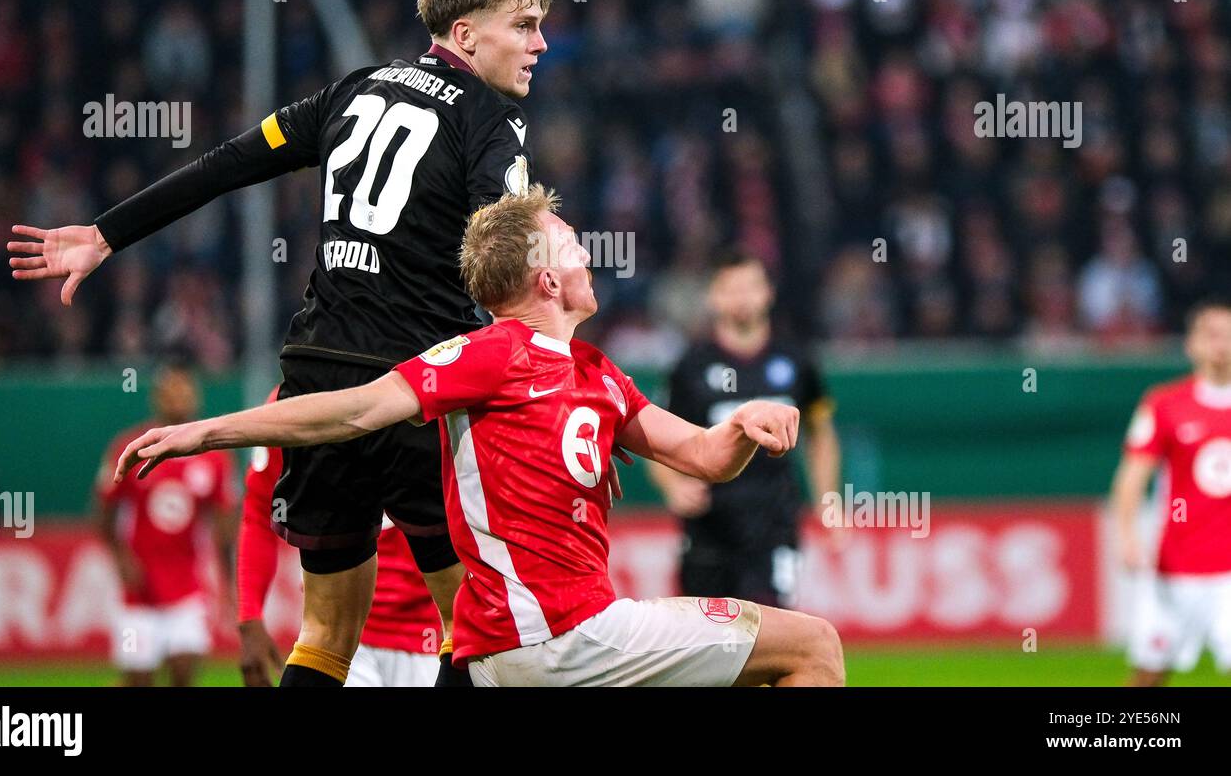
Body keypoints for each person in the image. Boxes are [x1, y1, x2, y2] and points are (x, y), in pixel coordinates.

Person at [9, 0, 559, 685]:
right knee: (473, 625)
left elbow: (229, 162)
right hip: (415, 390)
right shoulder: (492, 120)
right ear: (465, 34)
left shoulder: (352, 90)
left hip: (316, 378)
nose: (540, 45)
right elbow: (505, 254)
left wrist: (107, 233)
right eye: (523, 26)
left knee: (325, 634)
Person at [114, 186, 844, 687]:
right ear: (544, 278)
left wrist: (745, 427)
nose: (588, 251)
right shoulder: (489, 354)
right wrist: (206, 432)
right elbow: (348, 409)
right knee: (816, 647)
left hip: (509, 653)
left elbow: (703, 456)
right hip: (560, 636)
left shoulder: (597, 372)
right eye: (570, 243)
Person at [650, 250, 841, 607]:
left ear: (768, 292)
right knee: (705, 644)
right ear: (713, 297)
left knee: (774, 632)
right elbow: (656, 435)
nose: (741, 298)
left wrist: (828, 500)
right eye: (730, 289)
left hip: (775, 523)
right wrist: (672, 485)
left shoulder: (797, 361)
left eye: (750, 287)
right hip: (709, 525)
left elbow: (821, 434)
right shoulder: (690, 367)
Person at [239, 390, 441, 686]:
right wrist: (249, 616)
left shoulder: (434, 385)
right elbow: (259, 512)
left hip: (430, 634)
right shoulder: (295, 396)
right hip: (335, 638)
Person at [1111, 298, 1231, 686]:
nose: (1222, 343)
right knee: (1149, 675)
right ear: (1191, 344)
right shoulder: (1165, 404)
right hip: (1176, 569)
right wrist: (1127, 534)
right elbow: (1133, 475)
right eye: (1211, 334)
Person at [94, 362, 236, 686]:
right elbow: (103, 510)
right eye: (171, 392)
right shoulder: (131, 447)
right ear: (157, 399)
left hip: (187, 588)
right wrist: (120, 558)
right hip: (140, 590)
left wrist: (228, 585)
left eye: (185, 391)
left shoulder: (214, 458)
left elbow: (224, 526)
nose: (179, 399)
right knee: (138, 680)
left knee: (184, 674)